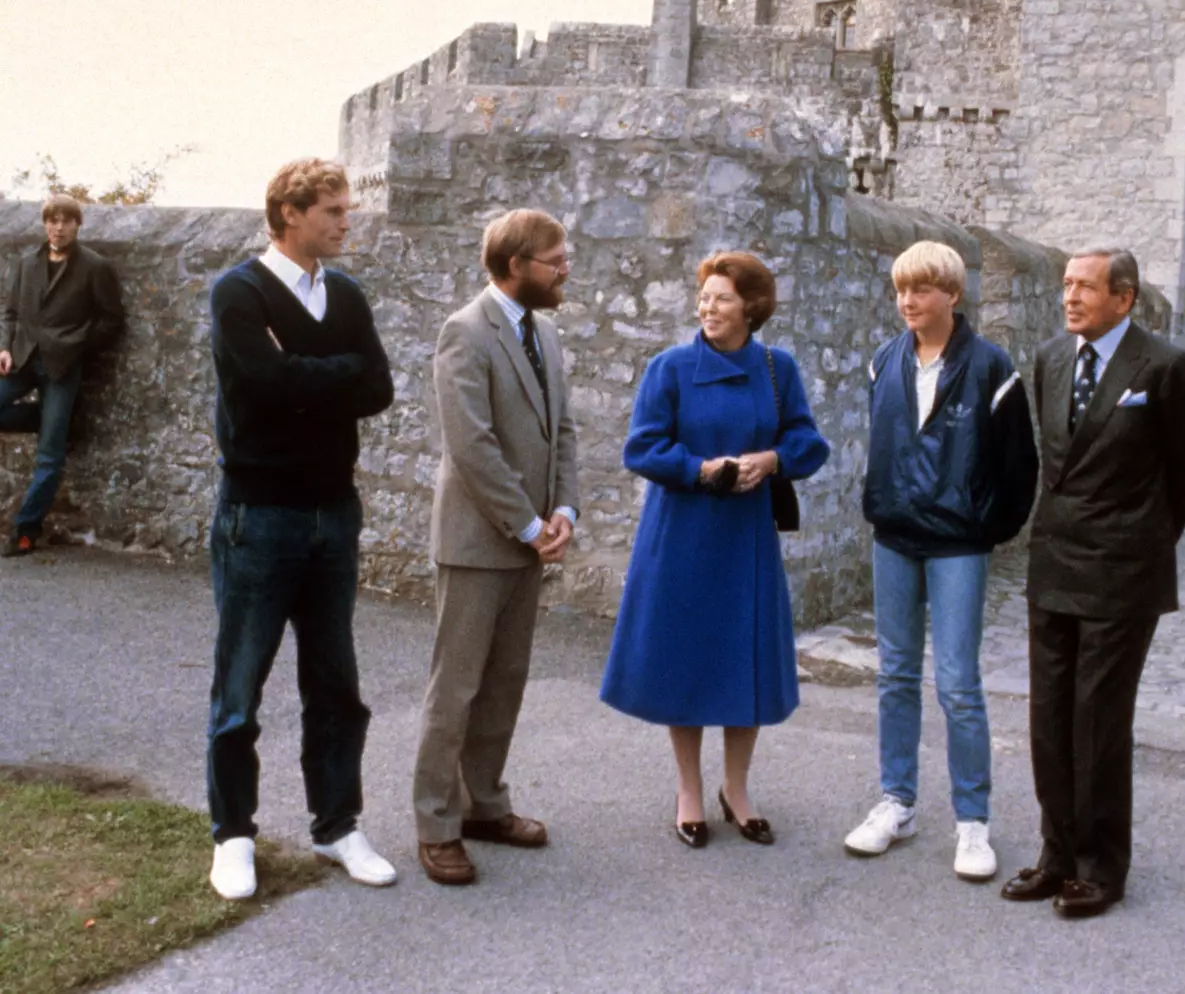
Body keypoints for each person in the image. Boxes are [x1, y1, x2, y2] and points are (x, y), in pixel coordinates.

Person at [204, 158, 396, 901]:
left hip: (332, 512)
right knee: (239, 690)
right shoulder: (239, 292)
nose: (348, 221)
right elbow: (260, 383)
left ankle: (338, 827)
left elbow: (376, 386)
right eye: (335, 211)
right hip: (259, 514)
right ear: (290, 213)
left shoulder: (342, 292)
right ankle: (234, 836)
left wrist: (309, 374)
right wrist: (332, 376)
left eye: (347, 210)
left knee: (336, 684)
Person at [1001, 247, 1185, 919]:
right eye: (1066, 285)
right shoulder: (1051, 360)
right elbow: (1054, 459)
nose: (1070, 298)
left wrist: (1143, 539)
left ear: (1123, 298)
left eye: (1084, 288)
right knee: (1049, 717)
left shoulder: (1165, 368)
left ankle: (1100, 866)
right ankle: (1056, 854)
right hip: (1055, 561)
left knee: (1098, 719)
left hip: (1123, 570)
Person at [600, 251, 829, 848]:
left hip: (746, 537)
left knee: (743, 660)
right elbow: (641, 448)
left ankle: (737, 788)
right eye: (703, 297)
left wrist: (772, 459)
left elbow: (808, 440)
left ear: (751, 308)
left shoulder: (778, 369)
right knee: (686, 659)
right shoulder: (669, 368)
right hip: (682, 532)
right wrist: (701, 468)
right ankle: (689, 792)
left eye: (721, 297)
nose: (708, 307)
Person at [845, 240, 1039, 882]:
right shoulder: (883, 361)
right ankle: (897, 803)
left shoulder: (991, 367)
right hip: (895, 537)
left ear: (952, 295)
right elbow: (882, 443)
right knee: (895, 676)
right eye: (901, 289)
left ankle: (972, 822)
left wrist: (988, 526)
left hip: (959, 543)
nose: (908, 301)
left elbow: (1019, 466)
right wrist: (881, 504)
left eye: (922, 289)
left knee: (957, 684)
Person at [412, 209, 579, 886]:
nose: (565, 268)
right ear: (515, 267)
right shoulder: (465, 332)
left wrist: (563, 509)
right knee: (455, 688)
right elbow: (471, 446)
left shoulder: (546, 330)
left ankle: (484, 805)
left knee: (505, 684)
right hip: (479, 541)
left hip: (530, 540)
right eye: (554, 259)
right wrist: (529, 525)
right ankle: (436, 824)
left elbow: (562, 430)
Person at [0, 195, 125, 557]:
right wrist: (5, 346)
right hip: (22, 361)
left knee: (50, 456)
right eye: (52, 221)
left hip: (62, 368)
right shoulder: (25, 263)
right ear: (45, 224)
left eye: (66, 221)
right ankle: (54, 419)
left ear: (77, 225)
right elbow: (9, 313)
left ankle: (25, 531)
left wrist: (77, 344)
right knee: (50, 426)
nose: (58, 227)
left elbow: (112, 320)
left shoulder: (94, 267)